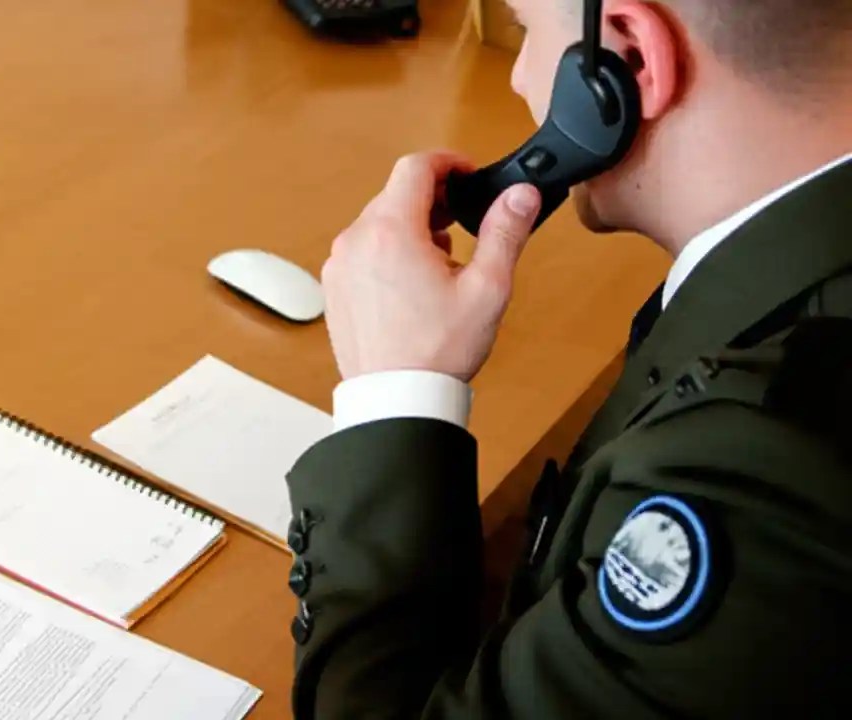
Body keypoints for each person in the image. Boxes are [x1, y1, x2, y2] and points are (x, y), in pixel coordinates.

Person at [282, 0, 852, 717]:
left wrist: (395, 393)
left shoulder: (755, 486)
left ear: (631, 58)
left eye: (525, 32)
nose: (520, 78)